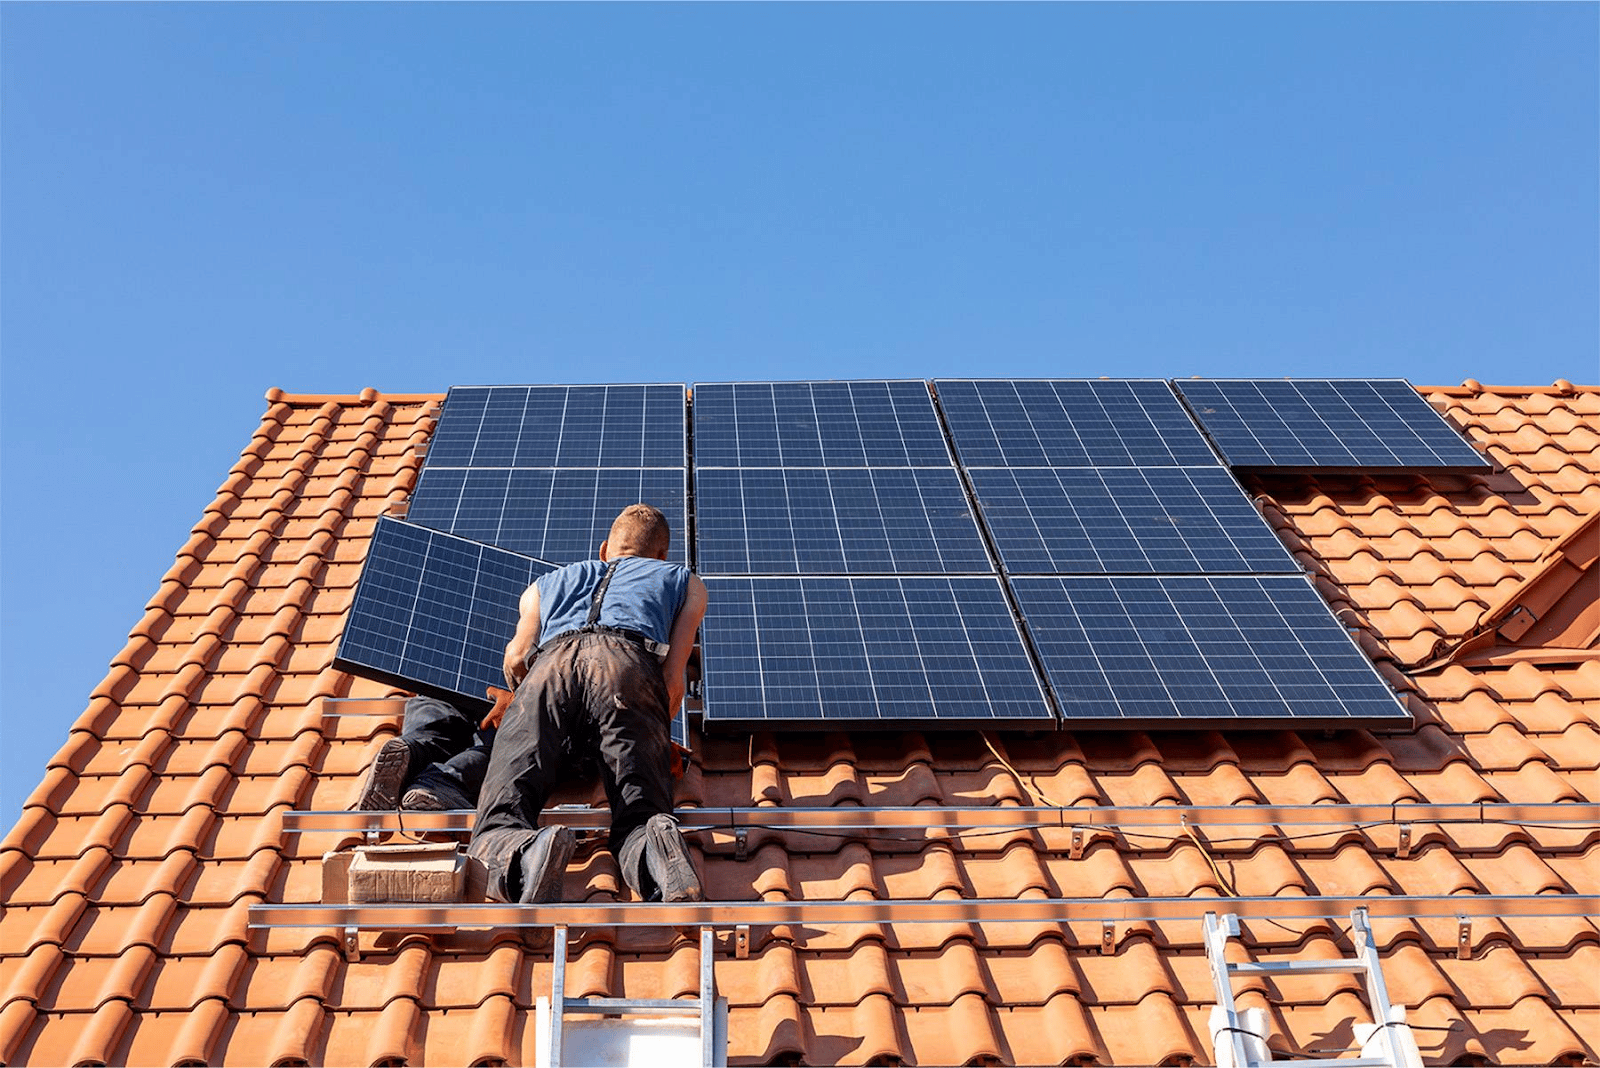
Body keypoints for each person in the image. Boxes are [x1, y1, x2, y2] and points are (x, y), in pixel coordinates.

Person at [467, 503, 710, 905]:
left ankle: (524, 853)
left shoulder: (544, 585)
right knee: (638, 812)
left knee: (501, 810)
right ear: (663, 555)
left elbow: (515, 655)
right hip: (627, 663)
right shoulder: (685, 582)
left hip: (550, 666)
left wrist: (538, 720)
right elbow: (672, 683)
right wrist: (638, 733)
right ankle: (660, 856)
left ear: (603, 550)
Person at [354, 694, 494, 812]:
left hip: (443, 677)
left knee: (433, 729)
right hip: (497, 690)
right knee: (494, 747)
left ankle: (411, 750)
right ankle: (438, 783)